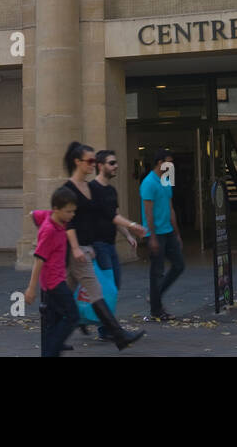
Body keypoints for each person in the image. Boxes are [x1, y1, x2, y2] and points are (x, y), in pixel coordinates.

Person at [59, 142, 144, 350]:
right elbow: (68, 222)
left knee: (64, 296)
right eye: (90, 161)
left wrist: (131, 226)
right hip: (76, 252)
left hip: (86, 249)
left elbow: (110, 214)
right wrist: (77, 248)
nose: (93, 164)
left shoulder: (89, 189)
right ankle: (118, 335)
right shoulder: (68, 189)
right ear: (77, 162)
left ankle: (55, 334)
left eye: (94, 160)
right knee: (97, 294)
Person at [91, 150, 146, 340]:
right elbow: (110, 215)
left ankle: (96, 323)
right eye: (111, 163)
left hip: (109, 243)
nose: (115, 166)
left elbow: (115, 215)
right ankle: (107, 329)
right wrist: (133, 226)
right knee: (108, 288)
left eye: (115, 163)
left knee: (114, 285)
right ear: (100, 165)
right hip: (97, 245)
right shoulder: (92, 189)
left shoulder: (111, 190)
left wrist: (128, 235)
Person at [25, 186, 81, 357]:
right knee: (72, 315)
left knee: (55, 320)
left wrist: (33, 214)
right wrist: (31, 288)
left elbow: (34, 214)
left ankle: (52, 349)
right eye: (68, 211)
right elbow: (39, 259)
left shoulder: (53, 217)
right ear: (56, 209)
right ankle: (51, 349)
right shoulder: (49, 230)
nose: (72, 215)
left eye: (73, 211)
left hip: (57, 279)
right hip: (53, 283)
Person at [141, 149, 185, 321]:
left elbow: (170, 208)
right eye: (169, 162)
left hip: (168, 232)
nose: (171, 165)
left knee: (179, 265)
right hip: (156, 233)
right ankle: (156, 310)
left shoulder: (167, 180)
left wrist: (178, 234)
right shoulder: (148, 183)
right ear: (160, 163)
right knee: (156, 271)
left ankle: (155, 295)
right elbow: (148, 212)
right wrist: (151, 237)